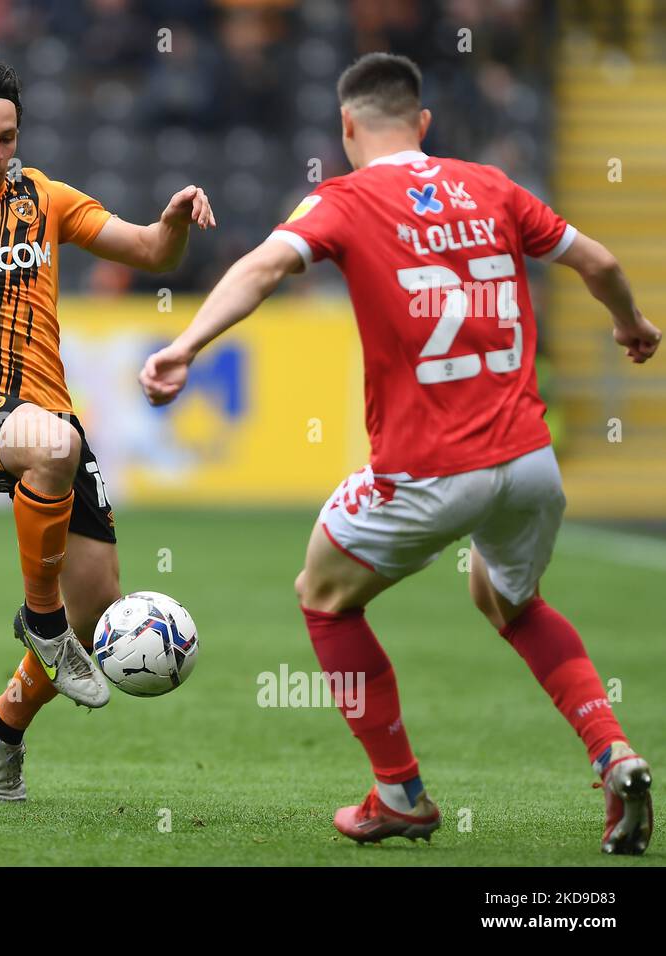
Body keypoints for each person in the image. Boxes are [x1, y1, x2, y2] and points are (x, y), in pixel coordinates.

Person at [141, 53, 659, 854]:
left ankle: (400, 792)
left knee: (323, 595)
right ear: (423, 124)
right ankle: (613, 751)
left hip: (428, 468)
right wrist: (630, 323)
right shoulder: (493, 186)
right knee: (512, 604)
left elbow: (265, 264)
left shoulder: (344, 198)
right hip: (528, 462)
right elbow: (601, 263)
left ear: (347, 126)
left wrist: (186, 345)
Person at [0, 56, 214, 801]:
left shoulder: (43, 197)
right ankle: (40, 621)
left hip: (49, 416)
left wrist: (171, 224)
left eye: (9, 136)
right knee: (56, 449)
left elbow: (151, 252)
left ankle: (3, 722)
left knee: (96, 602)